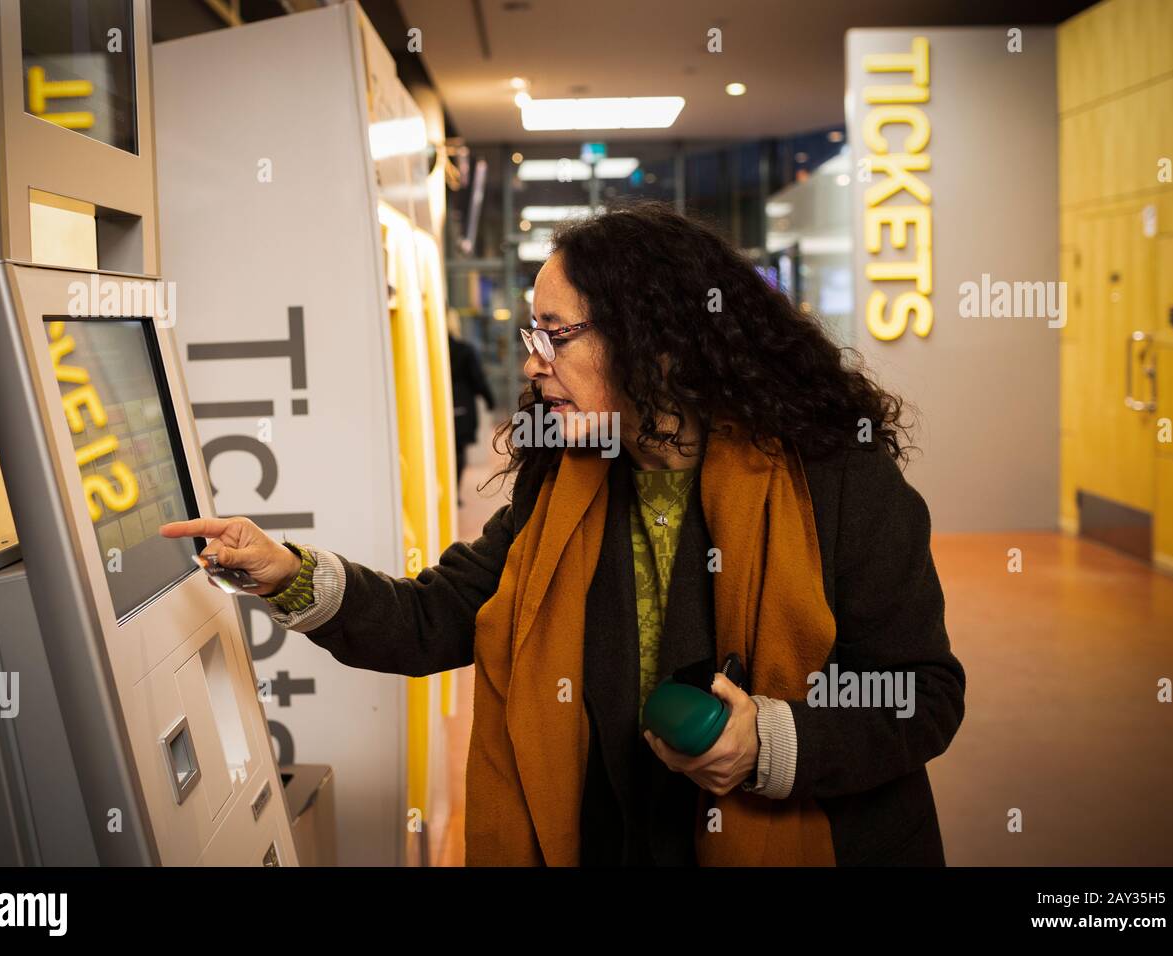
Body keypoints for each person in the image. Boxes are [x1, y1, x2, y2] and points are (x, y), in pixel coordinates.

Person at [162, 200, 965, 867]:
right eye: (530, 337)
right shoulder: (564, 485)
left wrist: (772, 743)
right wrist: (287, 571)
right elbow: (437, 615)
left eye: (555, 334)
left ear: (657, 341)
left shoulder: (836, 480)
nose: (533, 363)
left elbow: (922, 694)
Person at [446, 313, 494, 505]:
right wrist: (489, 400)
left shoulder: (431, 351)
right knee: (459, 451)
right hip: (462, 405)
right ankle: (454, 493)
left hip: (444, 406)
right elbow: (477, 379)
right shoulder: (464, 350)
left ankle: (449, 491)